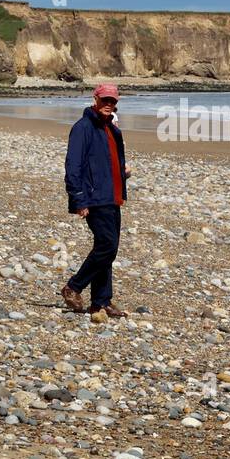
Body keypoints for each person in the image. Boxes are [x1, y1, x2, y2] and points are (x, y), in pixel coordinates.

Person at [62, 83, 131, 318]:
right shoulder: (83, 127)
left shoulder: (111, 129)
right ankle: (74, 286)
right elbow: (73, 165)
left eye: (113, 101)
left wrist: (123, 173)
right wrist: (79, 199)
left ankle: (101, 301)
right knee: (107, 246)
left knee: (108, 250)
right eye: (105, 100)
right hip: (94, 197)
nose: (109, 104)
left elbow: (108, 161)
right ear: (96, 99)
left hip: (113, 196)